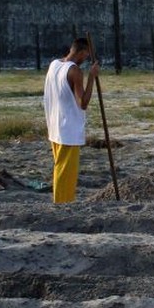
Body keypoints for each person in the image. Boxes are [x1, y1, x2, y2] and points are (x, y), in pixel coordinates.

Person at [42, 38, 100, 203]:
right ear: (81, 52)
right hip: (68, 130)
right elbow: (82, 103)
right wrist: (91, 78)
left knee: (59, 167)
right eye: (87, 55)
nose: (87, 59)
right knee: (65, 172)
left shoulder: (54, 64)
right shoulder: (74, 71)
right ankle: (62, 203)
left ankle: (61, 201)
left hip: (54, 127)